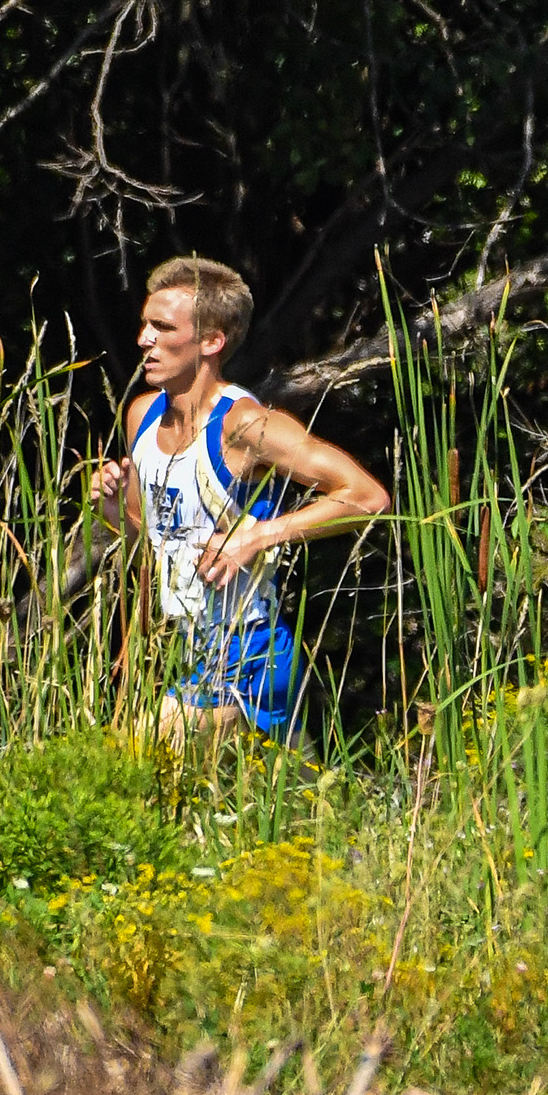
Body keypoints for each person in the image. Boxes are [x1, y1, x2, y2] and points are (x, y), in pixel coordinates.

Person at [94, 256, 390, 756]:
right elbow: (154, 534)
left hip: (245, 648)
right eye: (145, 324)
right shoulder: (142, 415)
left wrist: (258, 535)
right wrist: (111, 507)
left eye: (163, 327)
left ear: (212, 342)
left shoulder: (246, 426)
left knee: (131, 761)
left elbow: (366, 497)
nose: (144, 339)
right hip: (185, 646)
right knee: (291, 809)